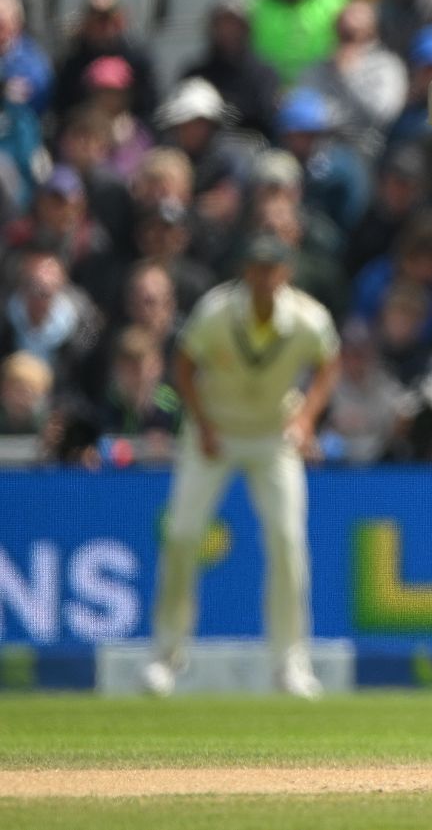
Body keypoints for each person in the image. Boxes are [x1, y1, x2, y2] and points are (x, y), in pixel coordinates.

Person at [143, 235, 341, 700]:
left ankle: (290, 663)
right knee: (183, 534)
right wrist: (204, 424)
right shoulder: (216, 311)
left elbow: (328, 363)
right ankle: (165, 657)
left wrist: (306, 418)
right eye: (257, 269)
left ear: (286, 273)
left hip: (273, 436)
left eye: (273, 270)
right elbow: (185, 364)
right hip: (215, 432)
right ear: (245, 271)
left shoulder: (308, 318)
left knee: (288, 539)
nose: (265, 279)